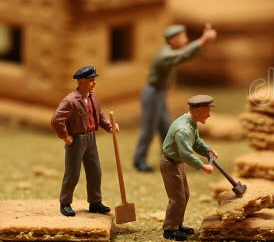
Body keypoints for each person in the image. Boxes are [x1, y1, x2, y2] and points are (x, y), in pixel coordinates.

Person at [132, 24, 217, 172]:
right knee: (149, 129)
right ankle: (139, 161)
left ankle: (168, 155)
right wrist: (202, 40)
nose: (185, 39)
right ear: (173, 40)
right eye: (182, 37)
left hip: (160, 94)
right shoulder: (165, 55)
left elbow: (185, 54)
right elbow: (183, 55)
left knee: (166, 125)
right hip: (152, 94)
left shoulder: (171, 52)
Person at [51, 66, 119, 217]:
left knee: (95, 171)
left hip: (91, 138)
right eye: (91, 80)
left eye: (94, 80)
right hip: (76, 140)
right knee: (73, 173)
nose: (94, 83)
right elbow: (56, 120)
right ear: (81, 81)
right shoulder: (70, 100)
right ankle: (65, 203)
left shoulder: (93, 98)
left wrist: (109, 126)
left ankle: (95, 202)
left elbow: (99, 115)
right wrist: (65, 136)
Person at [160, 95, 218, 241]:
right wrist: (202, 166)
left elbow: (197, 142)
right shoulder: (183, 129)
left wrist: (207, 150)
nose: (210, 114)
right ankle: (170, 229)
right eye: (207, 111)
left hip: (177, 163)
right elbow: (186, 154)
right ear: (198, 110)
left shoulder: (191, 123)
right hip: (171, 164)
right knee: (177, 199)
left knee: (184, 195)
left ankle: (178, 224)